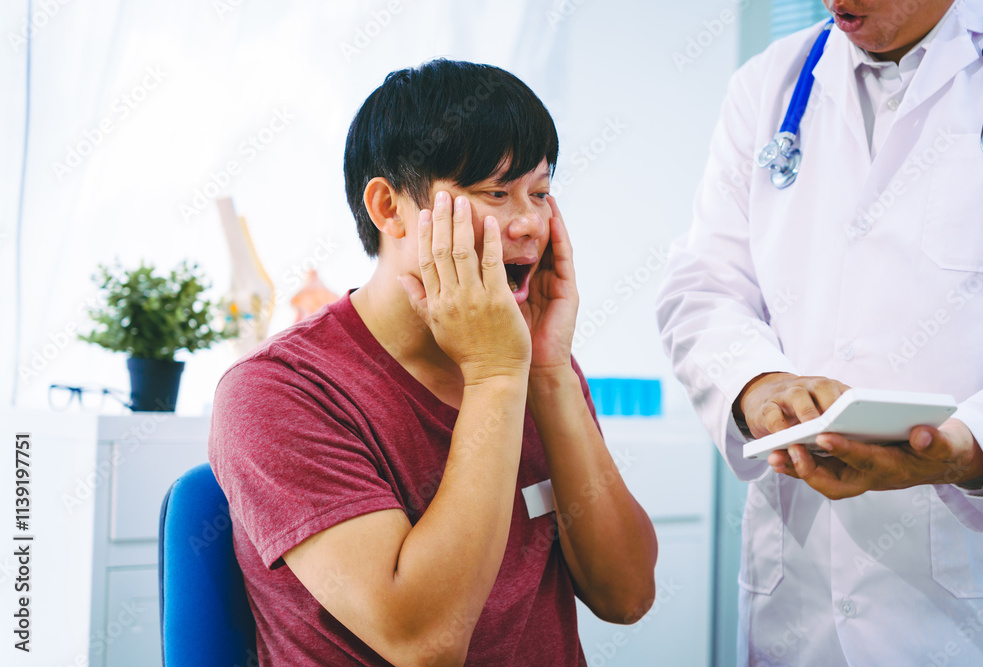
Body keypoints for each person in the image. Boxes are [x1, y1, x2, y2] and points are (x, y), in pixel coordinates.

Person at [209, 59, 657, 666]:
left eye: (540, 193)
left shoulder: (532, 362)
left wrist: (549, 375)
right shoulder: (276, 391)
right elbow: (425, 643)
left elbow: (627, 596)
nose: (530, 224)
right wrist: (495, 377)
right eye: (496, 193)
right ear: (389, 208)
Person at [657, 0, 983, 664]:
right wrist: (757, 383)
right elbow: (702, 284)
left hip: (966, 609)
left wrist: (971, 444)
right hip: (797, 605)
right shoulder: (770, 83)